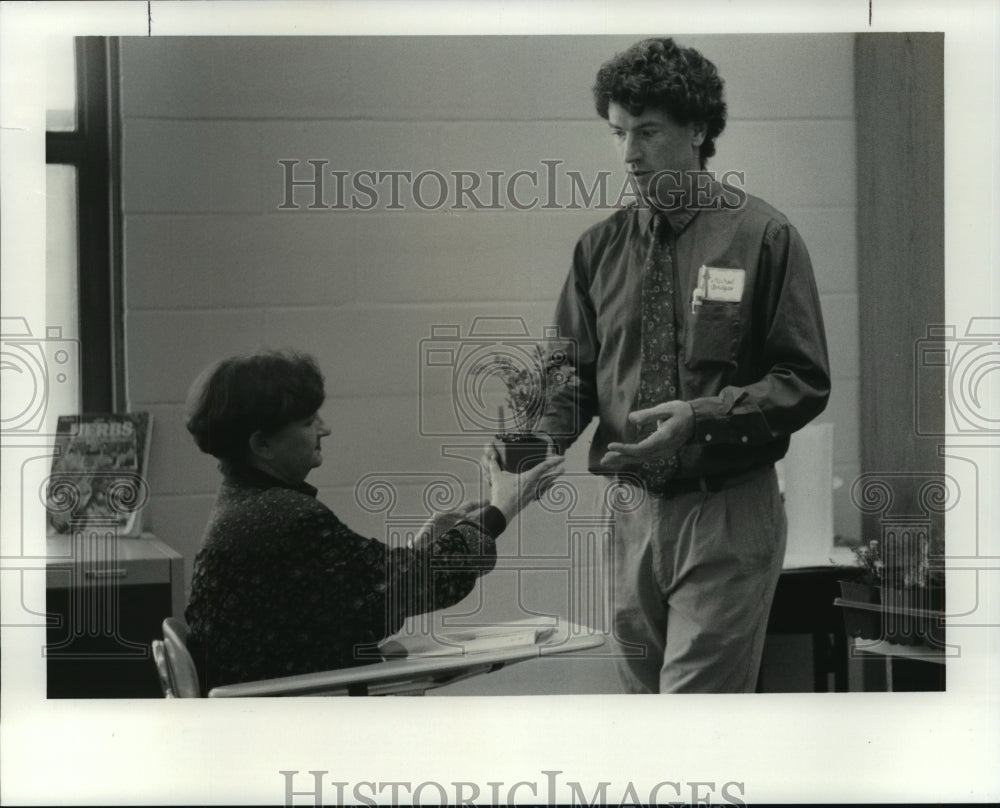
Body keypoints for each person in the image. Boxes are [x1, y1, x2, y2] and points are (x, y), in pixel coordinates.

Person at [536, 37, 831, 693]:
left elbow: (803, 380)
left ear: (698, 129)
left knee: (694, 712)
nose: (629, 152)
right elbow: (569, 379)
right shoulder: (599, 249)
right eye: (617, 132)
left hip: (724, 508)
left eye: (647, 131)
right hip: (633, 511)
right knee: (648, 712)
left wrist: (698, 418)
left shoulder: (762, 237)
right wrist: (530, 446)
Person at [183, 350, 563, 693]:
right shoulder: (282, 516)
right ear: (261, 445)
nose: (324, 429)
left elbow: (365, 600)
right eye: (307, 422)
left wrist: (425, 546)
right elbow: (408, 586)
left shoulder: (243, 505)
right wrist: (500, 510)